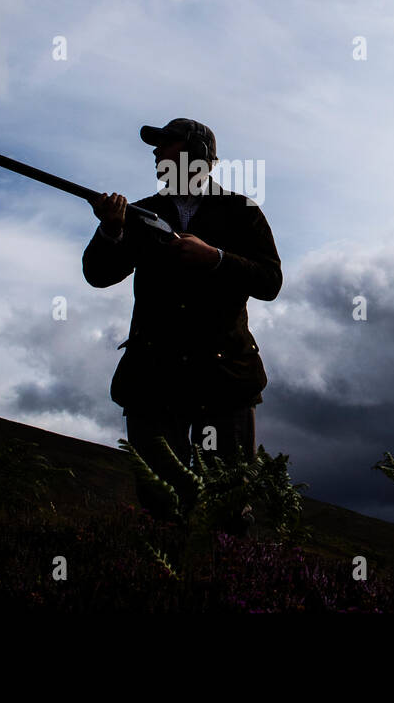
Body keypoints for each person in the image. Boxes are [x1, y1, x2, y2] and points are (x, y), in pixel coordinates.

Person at [82, 118, 282, 521]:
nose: (156, 153)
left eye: (166, 144)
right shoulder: (139, 215)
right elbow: (98, 275)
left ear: (198, 156)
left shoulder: (243, 212)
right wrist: (111, 230)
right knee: (160, 505)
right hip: (154, 378)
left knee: (227, 506)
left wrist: (218, 259)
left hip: (224, 378)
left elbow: (269, 281)